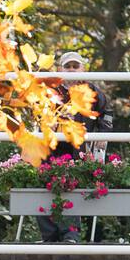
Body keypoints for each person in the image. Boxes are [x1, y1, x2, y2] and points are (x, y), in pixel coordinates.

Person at [36, 50, 114, 243]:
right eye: (67, 66)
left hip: (77, 151)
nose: (71, 70)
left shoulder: (93, 91)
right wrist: (47, 124)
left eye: (75, 66)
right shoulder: (51, 91)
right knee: (42, 187)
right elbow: (39, 114)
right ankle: (50, 238)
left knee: (69, 189)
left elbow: (108, 113)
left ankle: (70, 236)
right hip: (51, 148)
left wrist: (103, 135)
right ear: (60, 69)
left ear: (83, 68)